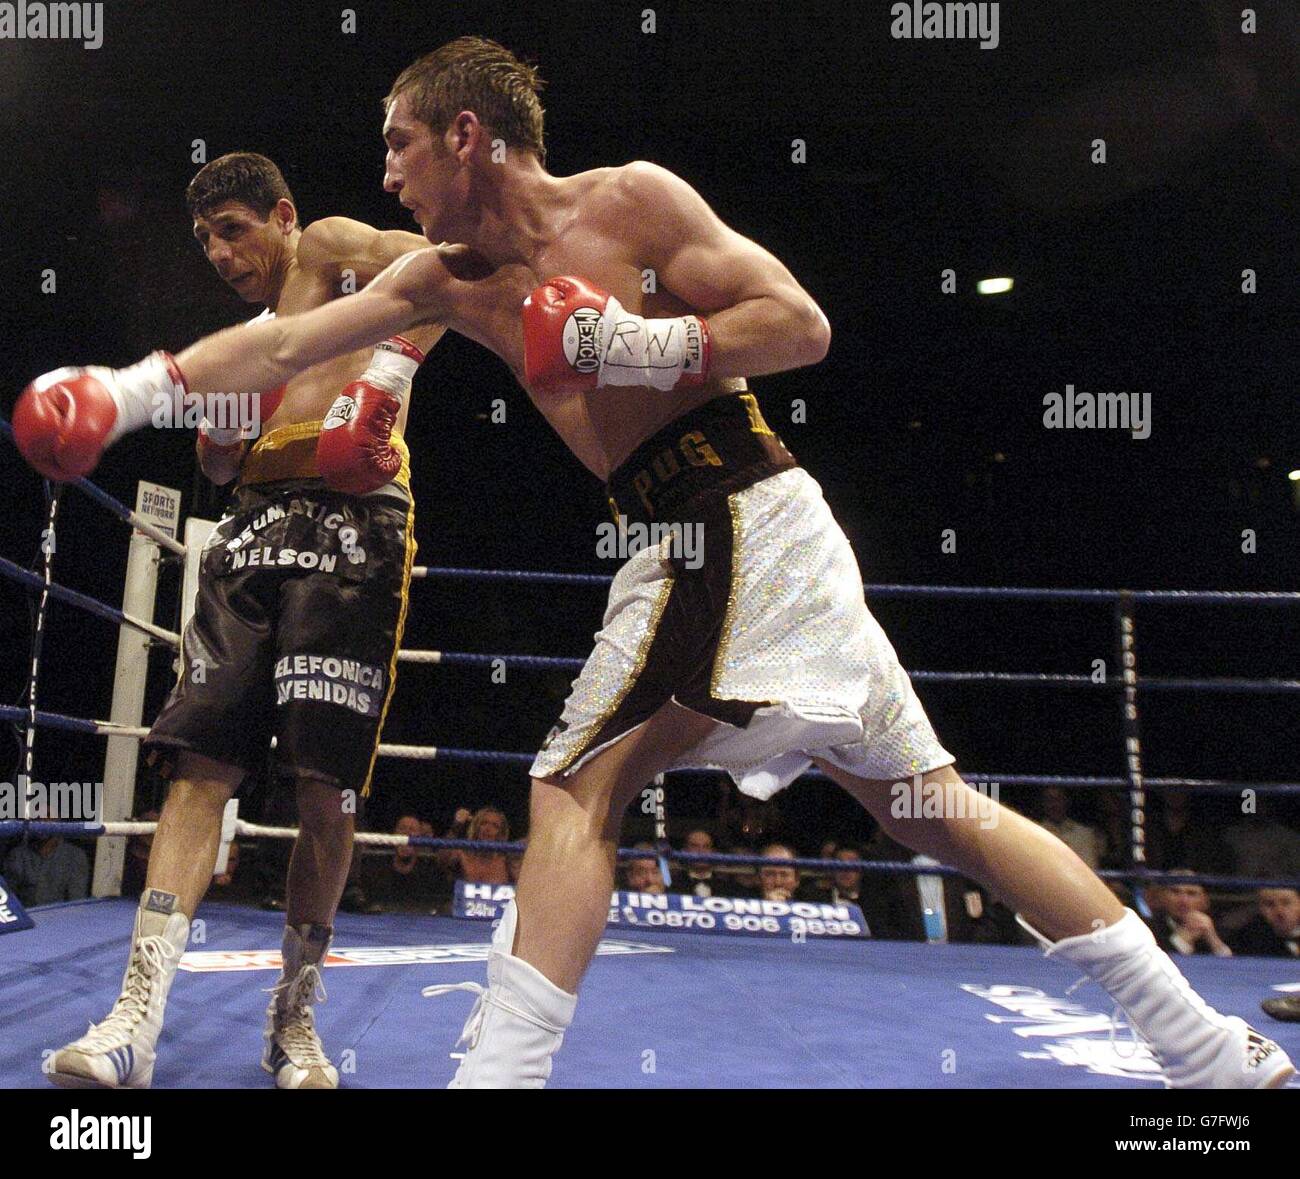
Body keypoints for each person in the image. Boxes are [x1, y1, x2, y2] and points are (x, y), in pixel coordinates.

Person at [16, 39, 1291, 1091]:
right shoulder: (443, 280)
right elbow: (285, 339)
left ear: (467, 133)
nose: (389, 174)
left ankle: (496, 1083)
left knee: (575, 790)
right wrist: (125, 393)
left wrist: (633, 345)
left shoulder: (630, 203)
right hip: (714, 532)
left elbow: (798, 325)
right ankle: (1204, 1056)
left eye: (402, 142)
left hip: (732, 513)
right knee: (934, 811)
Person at [23, 153, 443, 1090]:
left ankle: (294, 1021)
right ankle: (137, 1018)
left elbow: (450, 265)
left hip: (354, 524)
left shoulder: (334, 250)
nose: (218, 251)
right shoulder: (245, 341)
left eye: (234, 230)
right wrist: (219, 436)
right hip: (252, 528)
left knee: (327, 784)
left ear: (284, 217)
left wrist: (388, 367)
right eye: (206, 238)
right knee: (198, 760)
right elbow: (216, 470)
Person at [1145, 874, 1233, 957]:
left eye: (1191, 893)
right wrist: (1182, 939)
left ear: (1204, 901)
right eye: (1175, 892)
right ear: (1163, 897)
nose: (1183, 901)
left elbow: (1233, 968)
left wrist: (1212, 939)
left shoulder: (1219, 927)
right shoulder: (1149, 927)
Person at [2, 833, 89, 906]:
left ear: (58, 818)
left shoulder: (75, 856)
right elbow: (7, 899)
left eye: (47, 815)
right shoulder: (17, 855)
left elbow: (76, 903)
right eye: (37, 814)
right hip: (25, 918)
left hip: (59, 920)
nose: (42, 819)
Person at [1230, 889, 1300, 958]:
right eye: (1269, 904)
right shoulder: (1247, 938)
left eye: (1286, 903)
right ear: (1260, 908)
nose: (1279, 911)